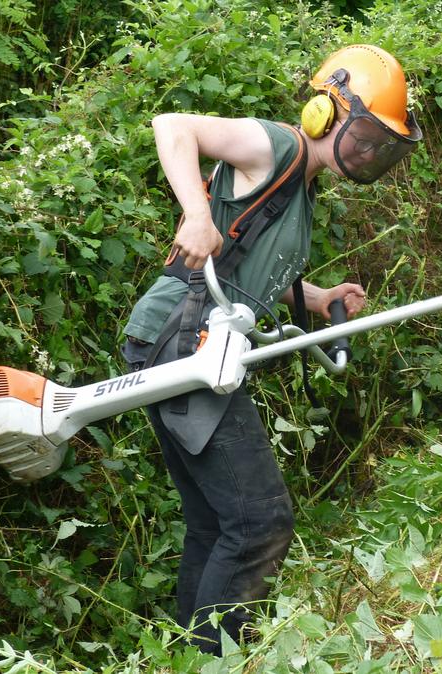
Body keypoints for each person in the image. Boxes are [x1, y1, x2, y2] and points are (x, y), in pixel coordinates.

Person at [119, 44, 422, 653]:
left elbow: (249, 270)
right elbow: (172, 126)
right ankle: (219, 661)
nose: (365, 153)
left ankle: (192, 658)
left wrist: (315, 297)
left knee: (217, 523)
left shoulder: (302, 190)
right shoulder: (277, 146)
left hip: (180, 339)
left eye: (378, 147)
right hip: (182, 337)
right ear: (323, 114)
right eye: (362, 135)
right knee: (260, 524)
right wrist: (195, 213)